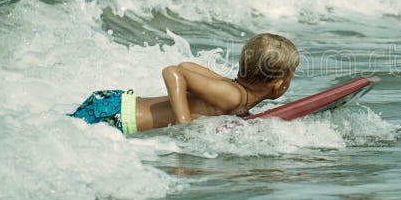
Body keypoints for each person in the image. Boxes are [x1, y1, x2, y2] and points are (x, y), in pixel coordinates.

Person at [68, 33, 298, 134]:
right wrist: (184, 121)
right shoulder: (232, 96)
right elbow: (174, 72)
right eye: (292, 74)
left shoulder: (232, 91)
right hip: (117, 118)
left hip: (115, 104)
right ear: (278, 84)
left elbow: (187, 65)